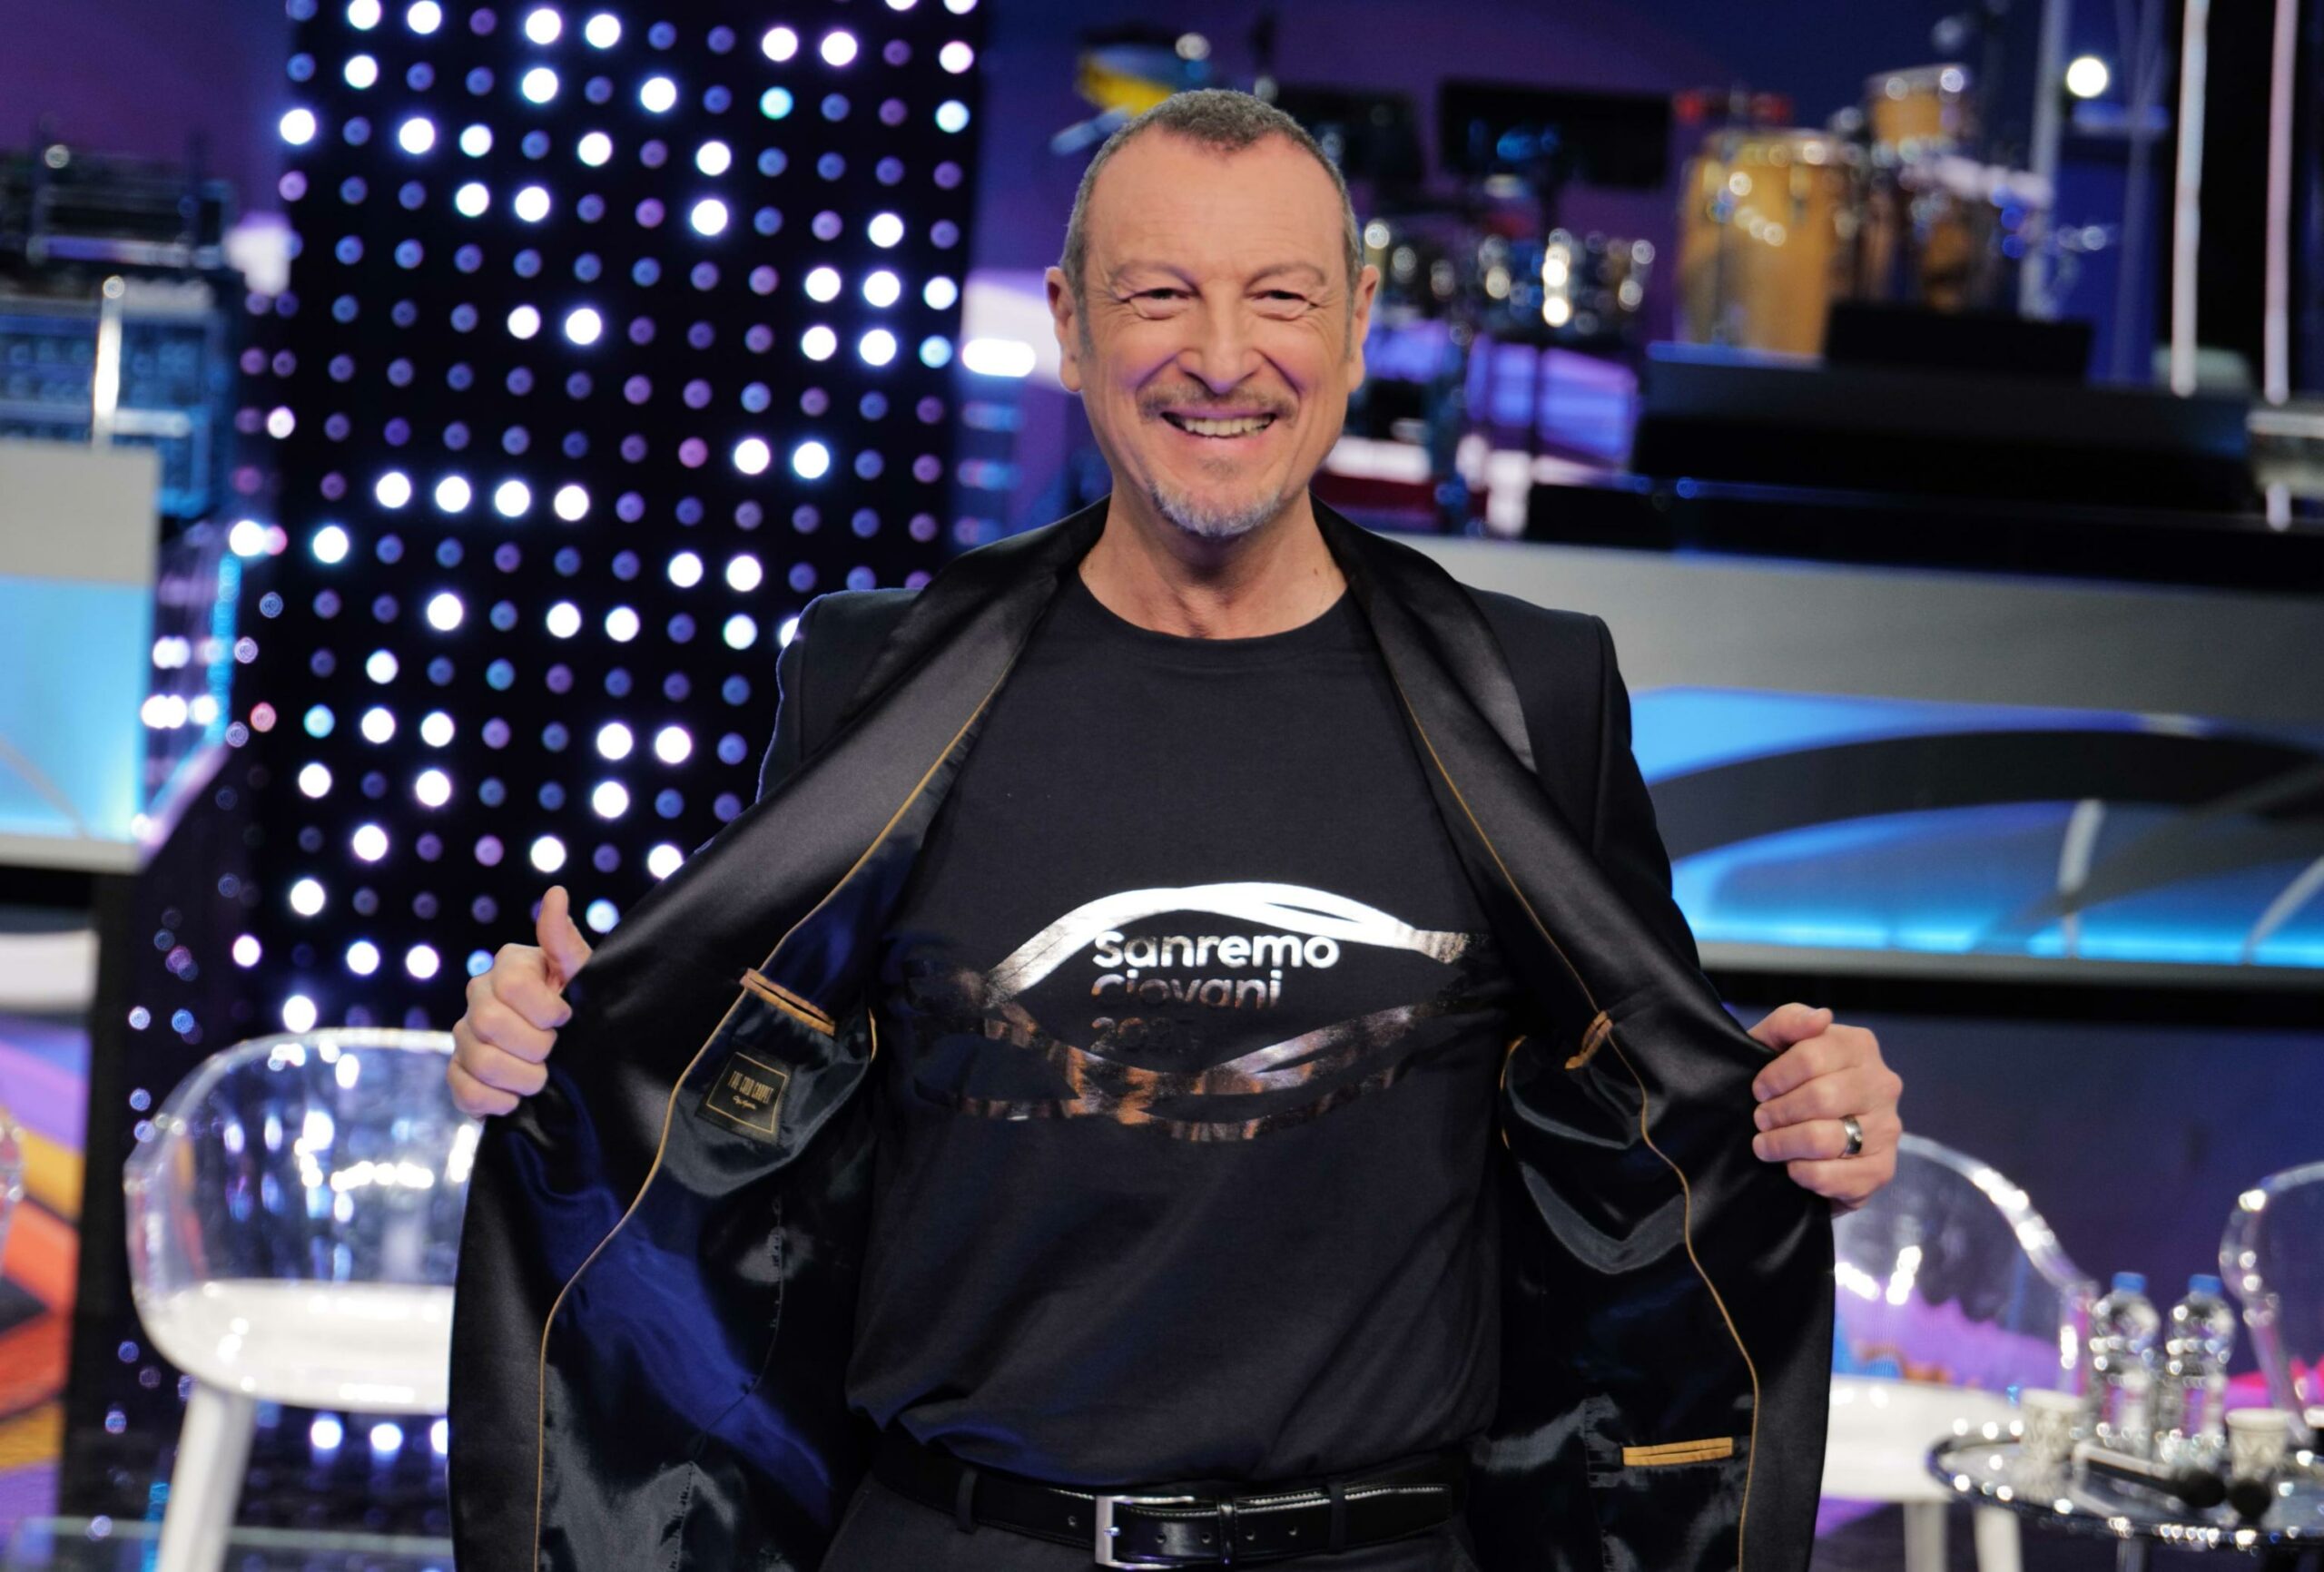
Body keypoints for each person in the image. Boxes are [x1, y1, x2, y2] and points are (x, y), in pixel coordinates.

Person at [445, 90, 1904, 1572]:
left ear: (1356, 323)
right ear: (1071, 326)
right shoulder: (874, 683)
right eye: (1159, 297)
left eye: (1281, 297)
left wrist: (1812, 1110)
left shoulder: (1535, 697)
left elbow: (1662, 1113)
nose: (1220, 357)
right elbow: (735, 1097)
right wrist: (552, 1046)